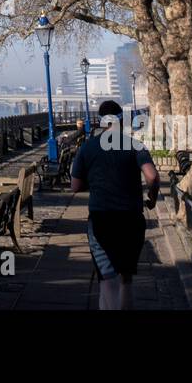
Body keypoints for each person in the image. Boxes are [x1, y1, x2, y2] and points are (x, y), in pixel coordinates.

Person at [71, 100, 159, 310]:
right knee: (126, 279)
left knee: (107, 279)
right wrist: (152, 199)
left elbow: (75, 186)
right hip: (131, 220)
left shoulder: (87, 147)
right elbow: (153, 177)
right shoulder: (134, 145)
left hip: (101, 220)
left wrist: (94, 182)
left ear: (101, 122)